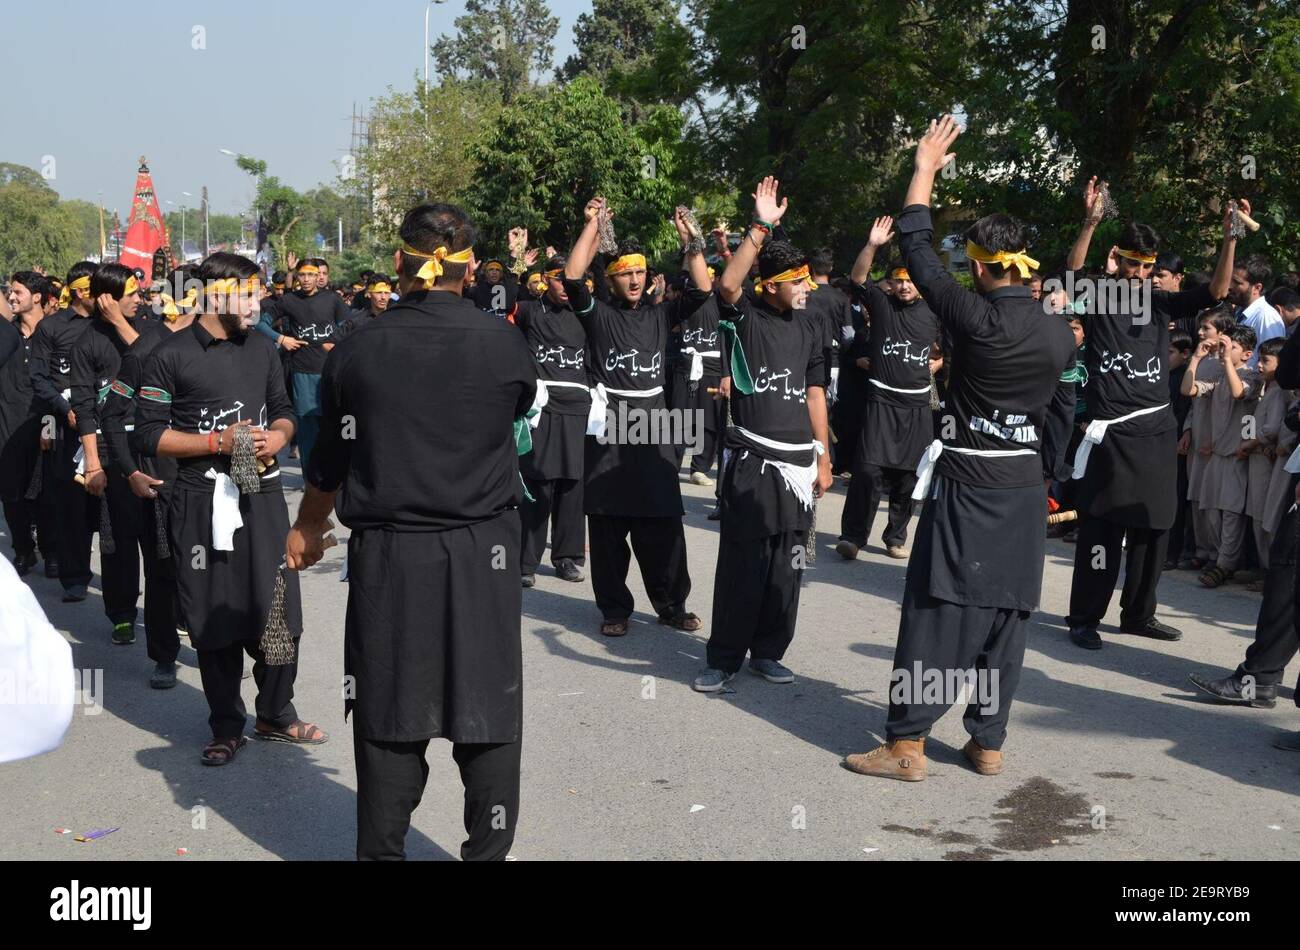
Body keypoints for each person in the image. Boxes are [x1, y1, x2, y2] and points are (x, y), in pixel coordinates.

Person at [286, 202, 535, 861]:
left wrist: (308, 529)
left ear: (400, 263)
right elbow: (518, 409)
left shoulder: (359, 348)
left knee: (391, 710)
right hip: (485, 549)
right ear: (472, 268)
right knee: (488, 709)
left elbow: (330, 464)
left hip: (392, 555)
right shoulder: (503, 342)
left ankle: (383, 854)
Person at [843, 116, 1075, 781]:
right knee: (1007, 616)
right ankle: (988, 741)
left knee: (937, 610)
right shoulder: (1060, 334)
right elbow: (1061, 411)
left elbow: (917, 250)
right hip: (1026, 491)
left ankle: (907, 745)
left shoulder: (972, 316)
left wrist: (924, 168)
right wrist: (1052, 478)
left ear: (979, 265)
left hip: (971, 486)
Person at [135, 252, 326, 766]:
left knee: (279, 613)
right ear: (215, 293)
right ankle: (226, 723)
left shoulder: (262, 349)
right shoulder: (169, 354)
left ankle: (275, 713)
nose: (259, 300)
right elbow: (151, 433)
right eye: (250, 291)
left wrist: (279, 437)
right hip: (201, 501)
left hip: (262, 495)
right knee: (214, 613)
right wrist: (217, 441)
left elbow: (283, 411)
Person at [1060, 182, 1239, 648]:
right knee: (1102, 527)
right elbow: (1072, 271)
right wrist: (1092, 221)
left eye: (1149, 266)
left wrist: (1231, 236)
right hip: (1112, 436)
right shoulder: (1098, 298)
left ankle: (1139, 614)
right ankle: (1084, 617)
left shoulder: (1161, 304)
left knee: (1154, 527)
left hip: (1156, 431)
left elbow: (1217, 289)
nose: (1141, 272)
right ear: (1118, 260)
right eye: (1134, 263)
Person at [692, 177, 832, 692]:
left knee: (787, 567)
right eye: (798, 282)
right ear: (770, 284)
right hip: (752, 462)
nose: (807, 288)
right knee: (743, 565)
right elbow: (726, 285)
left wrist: (823, 457)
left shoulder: (811, 325)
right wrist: (760, 226)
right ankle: (722, 658)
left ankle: (769, 651)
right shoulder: (743, 316)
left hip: (798, 465)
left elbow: (816, 393)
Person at [561, 198, 711, 637]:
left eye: (639, 272)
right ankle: (613, 609)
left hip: (655, 429)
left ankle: (671, 604)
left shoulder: (662, 314)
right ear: (611, 278)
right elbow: (572, 277)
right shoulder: (599, 316)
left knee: (663, 522)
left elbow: (702, 290)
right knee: (608, 527)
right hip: (609, 429)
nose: (633, 279)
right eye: (625, 272)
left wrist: (691, 242)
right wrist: (592, 224)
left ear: (648, 277)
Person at [99, 268, 196, 688]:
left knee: (210, 567)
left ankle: (215, 647)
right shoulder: (146, 354)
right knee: (162, 571)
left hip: (209, 481)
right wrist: (132, 471)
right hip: (157, 481)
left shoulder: (227, 351)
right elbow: (111, 415)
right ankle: (163, 655)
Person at [837, 217, 941, 561]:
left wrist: (939, 364)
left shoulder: (935, 311)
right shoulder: (882, 306)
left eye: (910, 280)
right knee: (867, 470)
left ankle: (896, 537)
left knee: (909, 476)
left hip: (916, 407)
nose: (904, 286)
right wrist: (872, 245)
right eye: (898, 280)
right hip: (881, 402)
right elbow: (857, 278)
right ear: (892, 284)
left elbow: (956, 348)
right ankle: (853, 536)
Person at [69, 264, 145, 646]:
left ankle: (178, 612)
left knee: (168, 537)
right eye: (129, 293)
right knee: (118, 537)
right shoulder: (86, 344)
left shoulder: (145, 328)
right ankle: (121, 613)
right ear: (106, 298)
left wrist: (121, 323)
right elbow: (84, 407)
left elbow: (151, 358)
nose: (137, 299)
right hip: (111, 451)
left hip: (155, 446)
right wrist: (94, 464)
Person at [515, 256, 589, 586]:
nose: (565, 286)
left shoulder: (586, 314)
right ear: (546, 278)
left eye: (570, 280)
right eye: (559, 279)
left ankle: (567, 557)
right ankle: (525, 561)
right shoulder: (529, 311)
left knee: (572, 485)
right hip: (541, 412)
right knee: (537, 482)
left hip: (578, 410)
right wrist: (517, 262)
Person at [29, 261, 100, 600]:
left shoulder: (110, 325)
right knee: (71, 503)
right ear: (78, 289)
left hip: (106, 427)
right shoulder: (52, 328)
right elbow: (39, 380)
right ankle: (74, 575)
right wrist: (63, 410)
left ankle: (120, 589)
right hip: (66, 426)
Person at [1183, 324, 1262, 587]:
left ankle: (1226, 565)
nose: (1224, 350)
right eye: (1224, 345)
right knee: (1210, 511)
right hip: (1215, 454)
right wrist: (1195, 358)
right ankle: (1218, 558)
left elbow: (1240, 392)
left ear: (1248, 353)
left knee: (1230, 511)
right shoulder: (1217, 375)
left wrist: (1227, 360)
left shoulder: (1252, 376)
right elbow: (1188, 390)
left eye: (1233, 346)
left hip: (1236, 455)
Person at [1, 273, 57, 577]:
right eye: (9, 292)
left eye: (18, 292)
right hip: (8, 426)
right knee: (12, 493)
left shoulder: (53, 335)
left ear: (37, 296)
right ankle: (23, 549)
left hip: (45, 426)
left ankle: (51, 552)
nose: (11, 297)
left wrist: (48, 427)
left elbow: (61, 386)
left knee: (47, 494)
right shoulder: (5, 336)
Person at [277, 256, 350, 465]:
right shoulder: (290, 300)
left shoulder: (333, 300)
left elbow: (348, 326)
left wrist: (332, 341)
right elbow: (261, 321)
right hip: (302, 370)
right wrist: (281, 338)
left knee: (338, 425)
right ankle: (309, 477)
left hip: (332, 371)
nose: (308, 278)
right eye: (303, 274)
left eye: (314, 274)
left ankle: (337, 475)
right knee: (307, 428)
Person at [1231, 255, 1285, 365]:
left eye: (1237, 282)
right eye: (1230, 280)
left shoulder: (1266, 317)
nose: (1230, 286)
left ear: (1257, 288)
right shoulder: (1240, 311)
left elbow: (1270, 362)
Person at [334, 275, 392, 342]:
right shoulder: (357, 321)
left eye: (387, 293)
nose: (383, 297)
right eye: (378, 292)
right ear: (369, 294)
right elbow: (328, 343)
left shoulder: (397, 317)